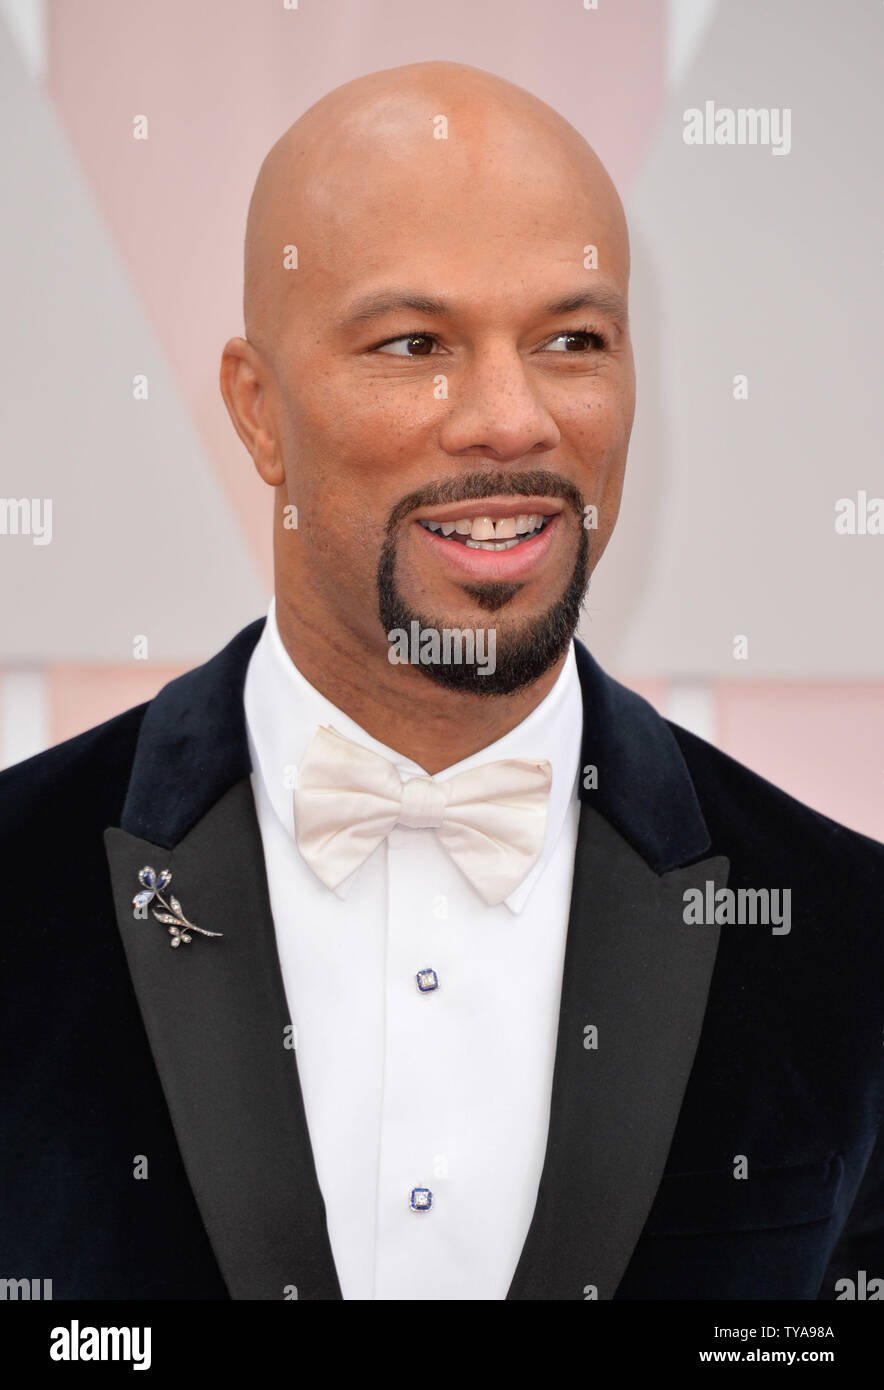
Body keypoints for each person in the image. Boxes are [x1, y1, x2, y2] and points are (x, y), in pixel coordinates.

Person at [1, 61, 881, 1302]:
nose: (509, 420)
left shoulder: (845, 935)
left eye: (570, 340)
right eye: (414, 344)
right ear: (258, 413)